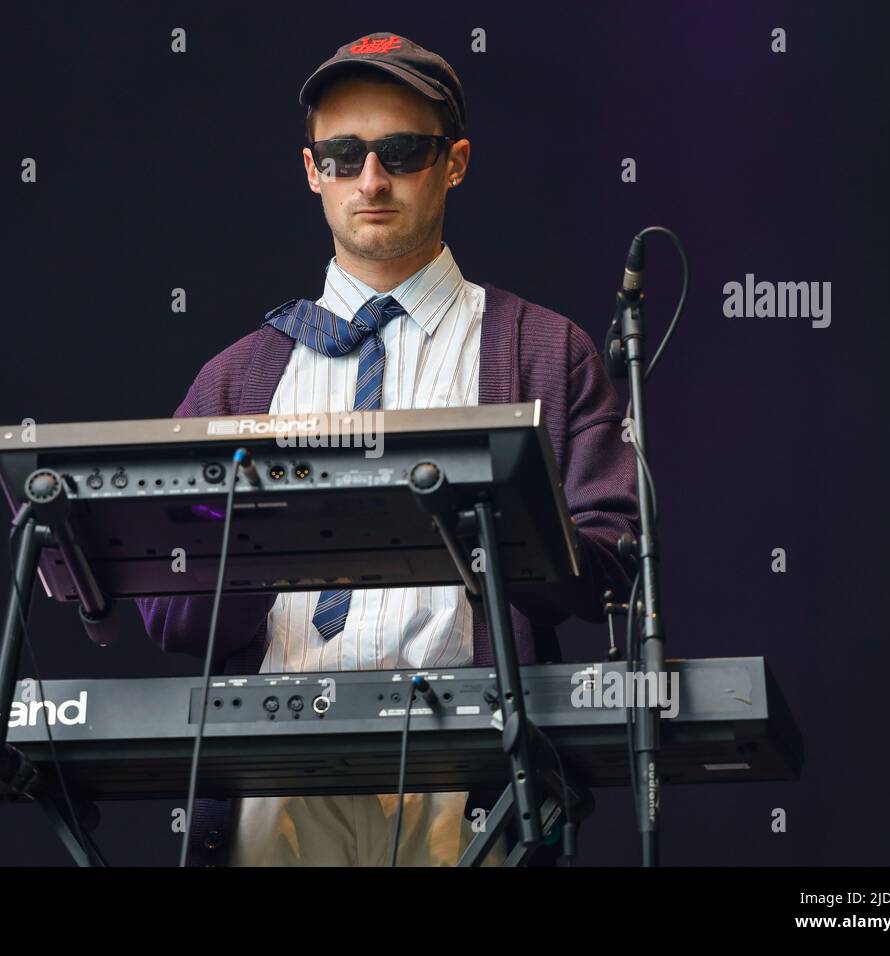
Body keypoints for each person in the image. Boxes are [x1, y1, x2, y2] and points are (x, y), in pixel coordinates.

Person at [133, 31, 638, 866]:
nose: (371, 179)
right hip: (275, 767)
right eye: (344, 154)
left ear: (456, 162)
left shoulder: (546, 351)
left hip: (470, 761)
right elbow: (169, 612)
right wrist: (259, 548)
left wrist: (506, 534)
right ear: (311, 171)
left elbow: (614, 556)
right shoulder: (235, 378)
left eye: (401, 151)